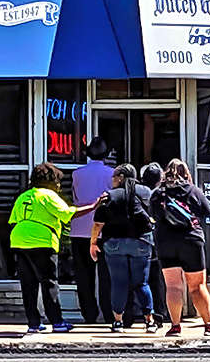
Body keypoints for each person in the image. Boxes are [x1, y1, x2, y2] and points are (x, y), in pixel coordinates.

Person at [9, 162, 103, 334]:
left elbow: (14, 220)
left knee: (28, 284)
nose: (59, 185)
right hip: (42, 241)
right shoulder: (48, 195)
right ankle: (57, 322)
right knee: (49, 282)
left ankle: (33, 323)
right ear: (50, 180)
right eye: (57, 181)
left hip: (18, 241)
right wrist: (93, 206)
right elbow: (68, 214)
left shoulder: (24, 196)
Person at [150, 158, 210, 336]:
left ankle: (175, 326)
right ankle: (209, 324)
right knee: (197, 286)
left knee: (173, 286)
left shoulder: (157, 194)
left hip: (166, 242)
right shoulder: (193, 191)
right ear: (186, 173)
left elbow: (152, 215)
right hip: (191, 240)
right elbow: (208, 211)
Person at [90, 163, 158, 334]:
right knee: (141, 282)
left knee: (119, 283)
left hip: (114, 243)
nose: (112, 180)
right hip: (141, 242)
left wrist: (93, 243)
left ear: (120, 178)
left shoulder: (110, 196)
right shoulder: (146, 192)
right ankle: (149, 321)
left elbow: (98, 223)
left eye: (114, 177)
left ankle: (118, 322)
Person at [70, 137, 113, 324]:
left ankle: (89, 313)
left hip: (79, 229)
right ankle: (109, 312)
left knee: (83, 275)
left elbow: (75, 196)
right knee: (106, 274)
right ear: (106, 154)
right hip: (104, 229)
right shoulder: (112, 174)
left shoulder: (77, 174)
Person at [122, 162, 169, 329]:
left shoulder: (135, 192)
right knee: (156, 281)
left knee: (135, 280)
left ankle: (130, 314)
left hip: (138, 240)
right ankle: (160, 314)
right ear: (160, 180)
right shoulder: (159, 195)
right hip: (155, 242)